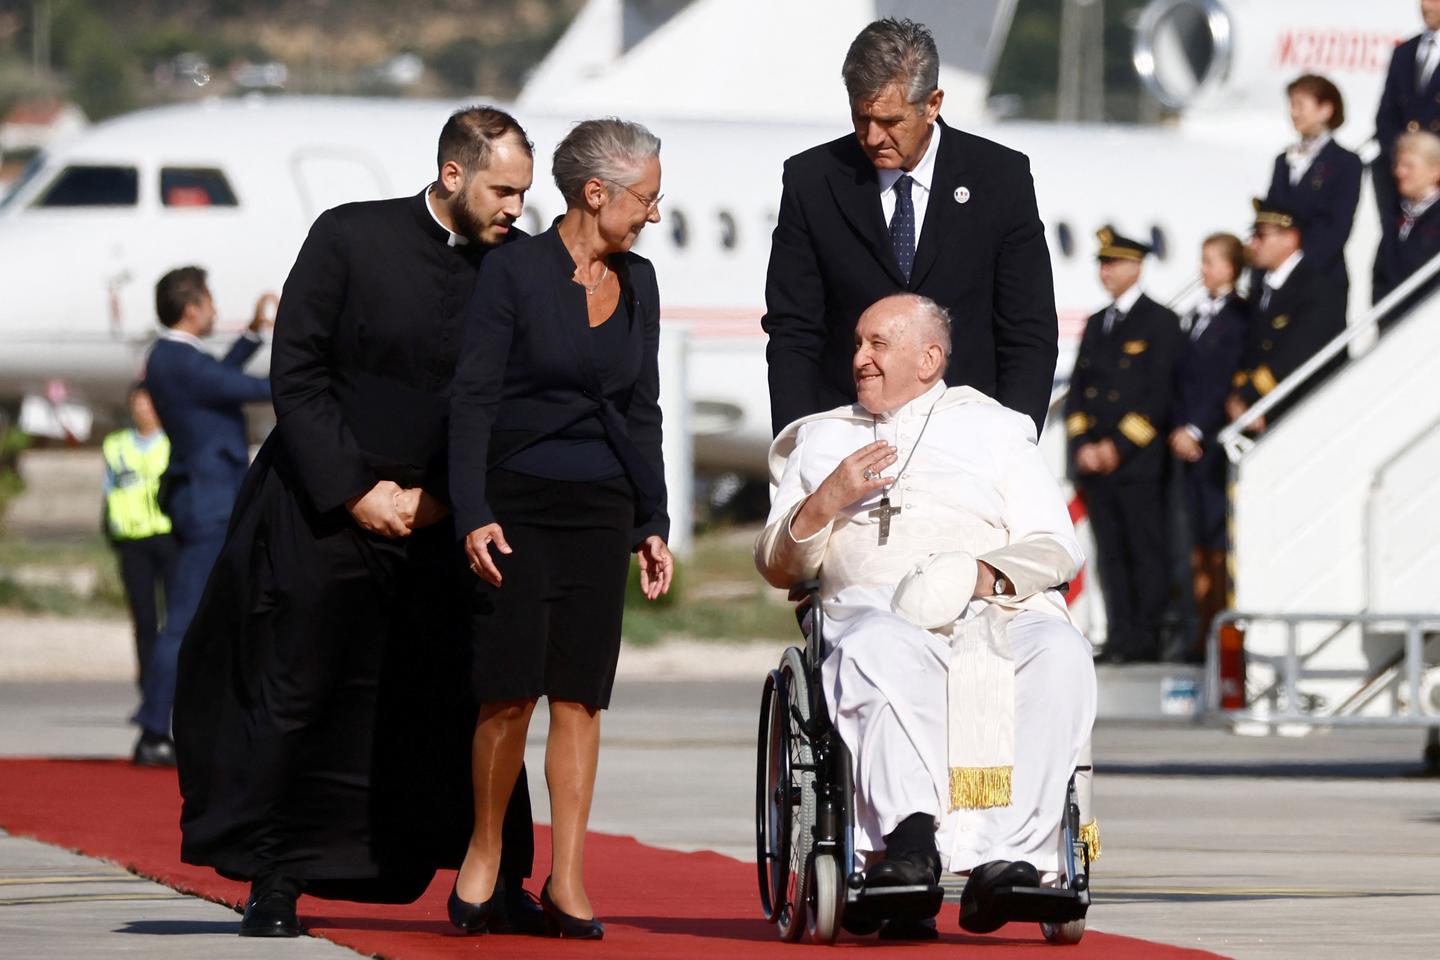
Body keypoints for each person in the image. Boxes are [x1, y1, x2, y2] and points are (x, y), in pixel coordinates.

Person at [173, 107, 541, 938]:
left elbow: (515, 399)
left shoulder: (518, 267)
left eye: (523, 192)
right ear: (453, 174)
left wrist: (440, 496)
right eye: (503, 191)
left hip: (447, 520)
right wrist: (356, 490)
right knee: (299, 691)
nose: (516, 208)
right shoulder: (348, 237)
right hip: (322, 508)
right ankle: (276, 879)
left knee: (475, 695)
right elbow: (297, 372)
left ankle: (498, 878)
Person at [755, 293, 1096, 940]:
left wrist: (980, 574)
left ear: (929, 358)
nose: (860, 358)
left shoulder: (995, 428)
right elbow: (777, 563)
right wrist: (826, 499)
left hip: (990, 603)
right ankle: (908, 842)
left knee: (1060, 653)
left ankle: (1010, 859)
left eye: (877, 344)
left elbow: (1056, 546)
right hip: (873, 606)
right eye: (858, 344)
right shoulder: (823, 436)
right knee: (877, 645)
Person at [447, 118, 674, 941]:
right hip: (517, 505)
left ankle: (567, 875)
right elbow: (473, 398)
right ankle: (484, 850)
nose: (654, 212)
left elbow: (642, 409)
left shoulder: (640, 282)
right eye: (645, 197)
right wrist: (472, 510)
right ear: (596, 193)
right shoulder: (512, 272)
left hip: (601, 508)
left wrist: (651, 519)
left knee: (581, 695)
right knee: (508, 690)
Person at [762, 17, 1056, 438]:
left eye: (891, 121)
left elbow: (1027, 328)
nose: (873, 137)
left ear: (932, 104)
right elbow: (793, 330)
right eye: (862, 118)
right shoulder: (813, 181)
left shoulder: (999, 178)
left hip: (968, 436)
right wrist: (798, 443)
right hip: (847, 433)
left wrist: (1012, 439)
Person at [135, 268, 273, 766]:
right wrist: (315, 366)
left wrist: (253, 334)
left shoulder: (175, 358)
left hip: (206, 498)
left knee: (211, 615)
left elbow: (219, 380)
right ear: (191, 308)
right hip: (209, 503)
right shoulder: (179, 360)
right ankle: (154, 730)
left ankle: (191, 722)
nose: (215, 309)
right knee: (185, 619)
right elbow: (243, 386)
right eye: (210, 301)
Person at [1063, 228, 1181, 664]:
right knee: (1110, 554)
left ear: (1136, 266)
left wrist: (1116, 447)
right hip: (1097, 465)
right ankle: (1120, 636)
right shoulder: (1098, 323)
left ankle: (1146, 639)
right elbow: (1080, 391)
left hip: (1136, 465)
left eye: (1113, 263)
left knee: (1144, 552)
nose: (1105, 271)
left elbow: (1158, 396)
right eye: (1102, 263)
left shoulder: (1160, 322)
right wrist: (1083, 443)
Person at [1169, 235, 1249, 656]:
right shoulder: (1197, 316)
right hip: (1189, 445)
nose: (1203, 270)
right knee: (1197, 542)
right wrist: (1178, 428)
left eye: (1211, 262)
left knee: (1218, 542)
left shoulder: (1239, 316)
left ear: (1231, 268)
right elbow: (1183, 379)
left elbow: (1224, 382)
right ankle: (1201, 629)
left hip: (1213, 444)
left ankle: (1219, 630)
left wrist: (1196, 429)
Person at [1228, 199, 1347, 429]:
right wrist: (1237, 398)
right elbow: (1250, 351)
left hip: (1301, 413)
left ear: (1290, 238)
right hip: (1259, 410)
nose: (1252, 244)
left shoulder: (1317, 289)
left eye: (1261, 236)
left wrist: (1248, 397)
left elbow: (1297, 357)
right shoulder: (1263, 290)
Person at [101, 381, 176, 703]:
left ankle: (175, 686)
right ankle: (149, 691)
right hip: (132, 541)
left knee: (176, 617)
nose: (143, 409)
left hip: (170, 536)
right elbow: (109, 491)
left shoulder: (174, 441)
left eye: (149, 402)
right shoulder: (116, 445)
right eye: (138, 402)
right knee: (144, 620)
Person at [1265, 75, 1361, 297]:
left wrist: (1298, 266)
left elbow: (1337, 226)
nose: (1293, 113)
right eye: (1291, 105)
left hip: (1320, 277)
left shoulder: (1345, 162)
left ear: (1325, 110)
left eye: (1300, 105)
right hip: (1279, 277)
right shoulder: (1283, 161)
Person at [1374, 0, 1440, 223]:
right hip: (1400, 175)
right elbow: (1386, 115)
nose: (1426, 6)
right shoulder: (1404, 51)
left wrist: (1429, 162)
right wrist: (1404, 160)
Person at [1372, 130, 1440, 306]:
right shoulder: (1396, 217)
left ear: (1435, 171)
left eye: (1409, 166)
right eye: (1398, 165)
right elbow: (1380, 276)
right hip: (1393, 317)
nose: (1400, 172)